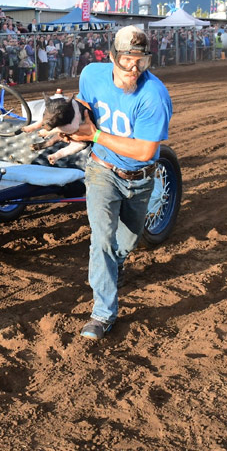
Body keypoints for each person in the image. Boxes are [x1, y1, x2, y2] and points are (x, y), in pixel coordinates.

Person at [64, 25, 173, 341]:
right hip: (101, 170)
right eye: (127, 59)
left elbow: (145, 150)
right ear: (112, 56)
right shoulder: (91, 74)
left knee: (125, 242)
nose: (134, 69)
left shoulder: (154, 96)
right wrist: (71, 117)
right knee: (102, 239)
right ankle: (102, 314)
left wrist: (95, 135)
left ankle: (113, 267)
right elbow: (85, 105)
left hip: (139, 179)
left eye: (141, 61)